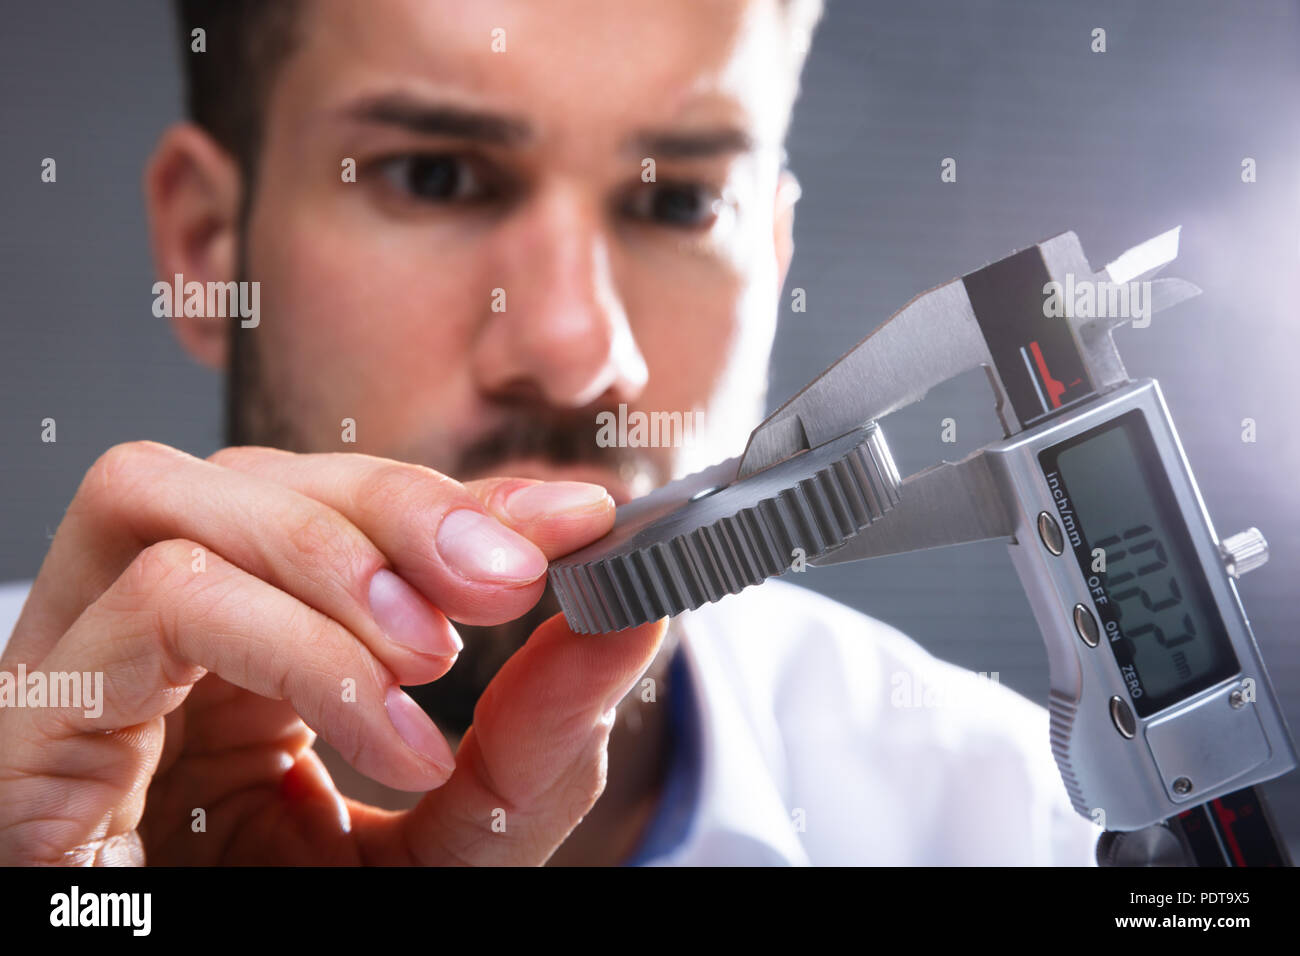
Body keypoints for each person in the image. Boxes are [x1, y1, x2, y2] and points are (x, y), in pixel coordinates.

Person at [0, 0, 1099, 866]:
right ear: (206, 249)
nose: (579, 353)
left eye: (679, 202)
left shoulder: (1022, 827)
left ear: (773, 259)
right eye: (437, 176)